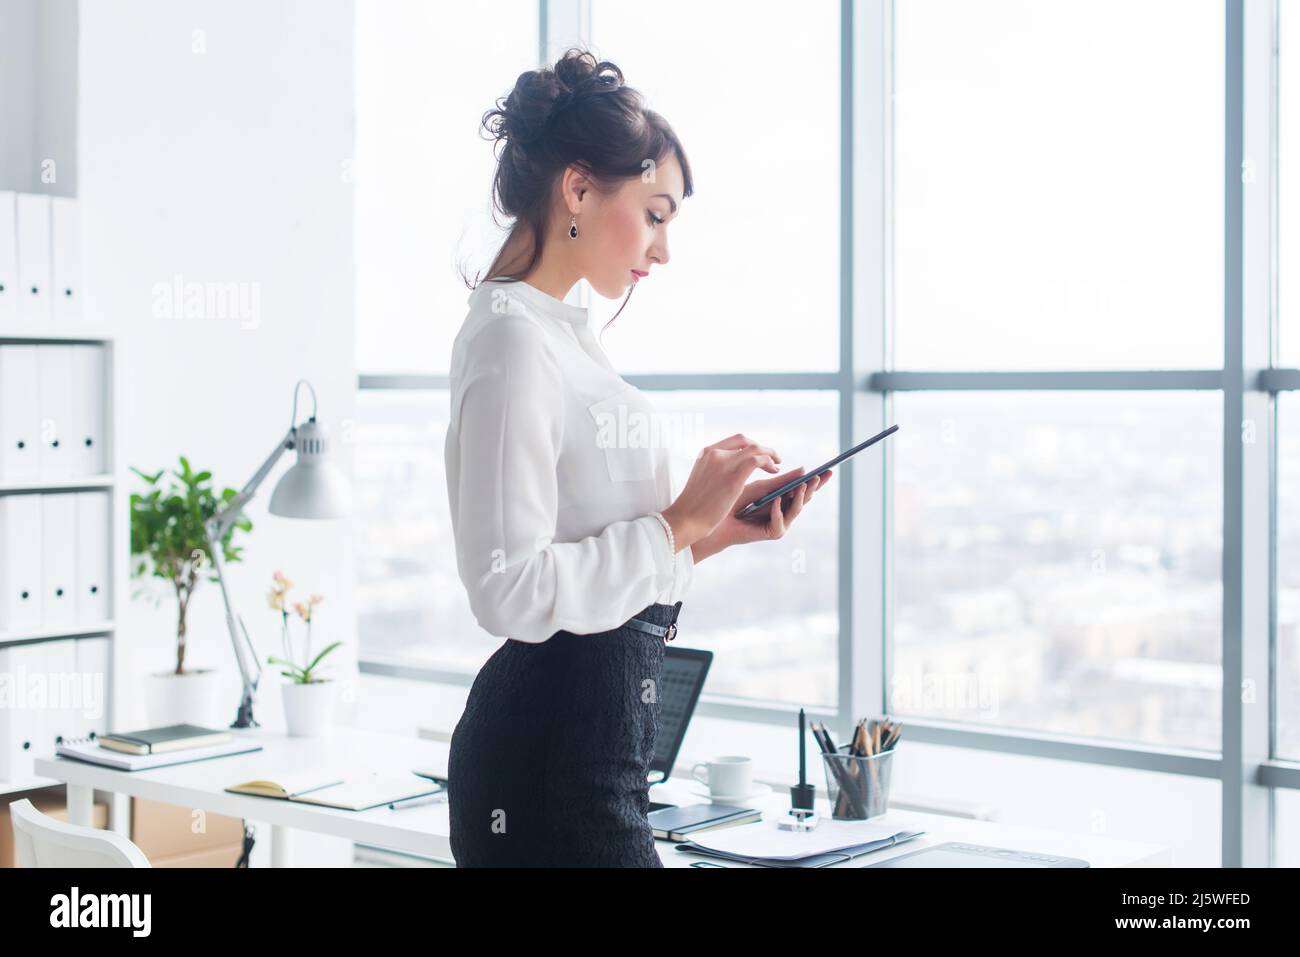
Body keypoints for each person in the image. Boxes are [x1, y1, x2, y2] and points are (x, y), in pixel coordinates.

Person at [444, 47, 831, 867]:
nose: (662, 250)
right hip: (548, 765)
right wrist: (679, 520)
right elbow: (507, 588)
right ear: (578, 189)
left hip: (596, 754)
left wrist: (711, 530)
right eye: (654, 213)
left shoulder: (557, 334)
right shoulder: (514, 339)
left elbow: (600, 545)